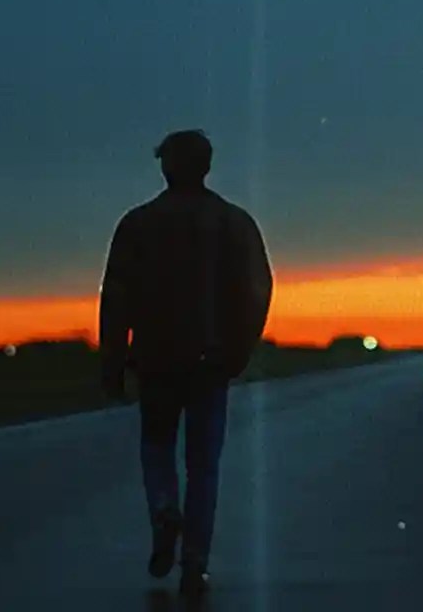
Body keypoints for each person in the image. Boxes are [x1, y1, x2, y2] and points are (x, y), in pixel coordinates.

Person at [99, 129, 273, 598]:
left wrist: (112, 362)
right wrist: (239, 350)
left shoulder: (137, 224)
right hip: (211, 363)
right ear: (207, 166)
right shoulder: (233, 223)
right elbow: (258, 290)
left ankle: (163, 507)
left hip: (155, 360)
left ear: (165, 166)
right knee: (203, 465)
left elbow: (115, 299)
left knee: (156, 447)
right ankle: (195, 560)